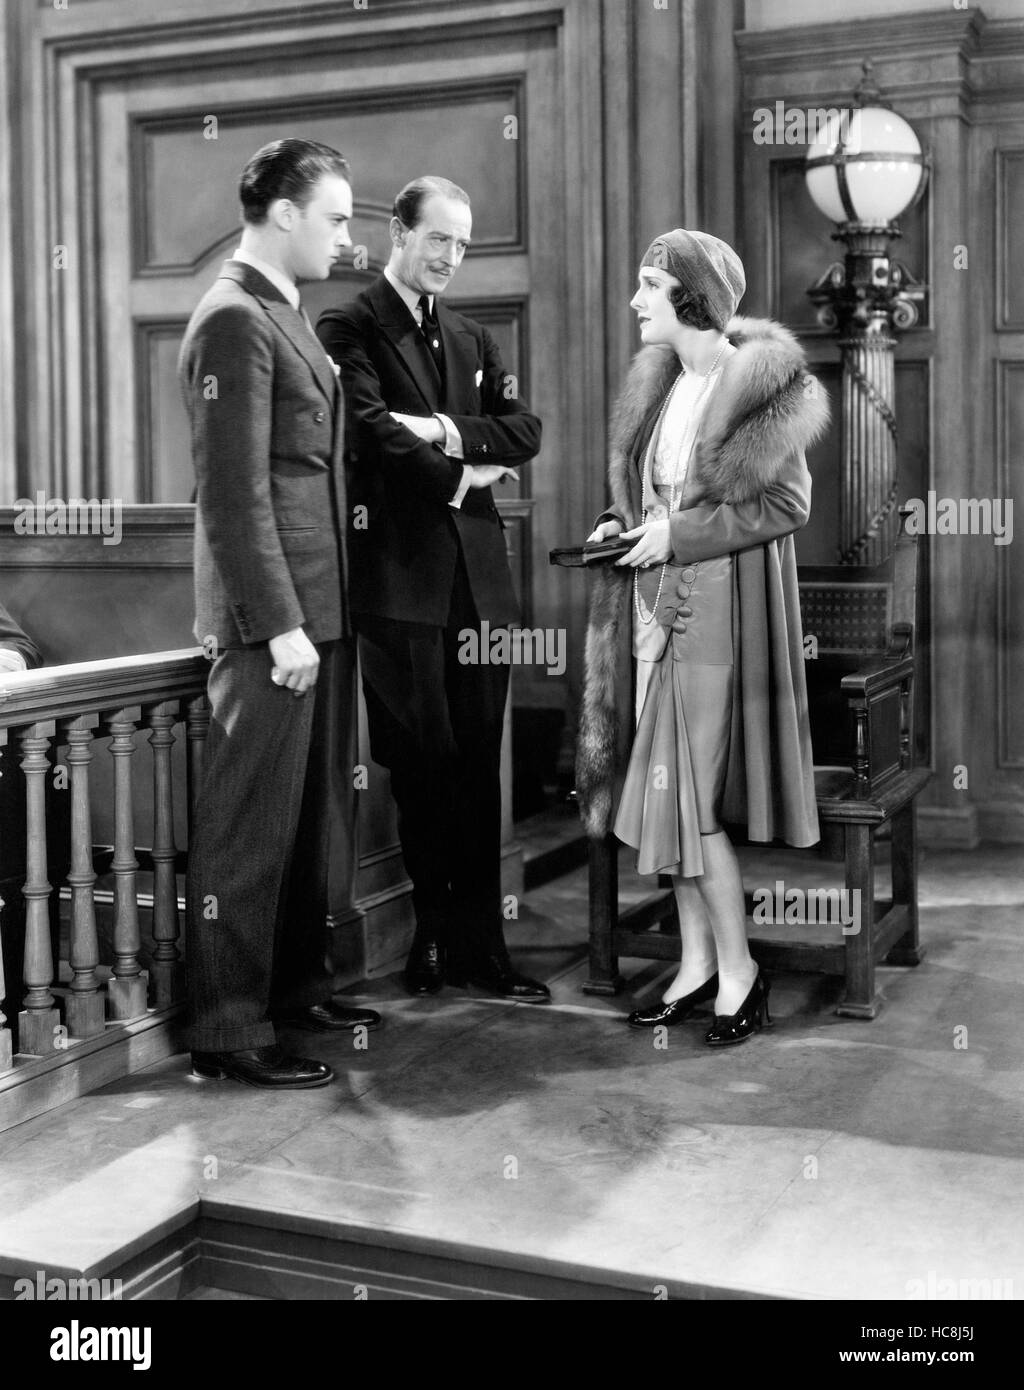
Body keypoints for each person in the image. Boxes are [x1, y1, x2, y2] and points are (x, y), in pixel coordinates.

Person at [577, 229, 828, 1046]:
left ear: (690, 297)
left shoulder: (753, 384)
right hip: (651, 609)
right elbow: (650, 495)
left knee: (692, 800)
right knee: (663, 797)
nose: (636, 300)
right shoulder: (663, 383)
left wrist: (677, 536)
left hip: (715, 610)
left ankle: (741, 972)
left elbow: (787, 507)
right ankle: (695, 968)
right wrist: (623, 524)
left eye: (651, 285)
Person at [316, 176, 549, 1003]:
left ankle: (482, 948)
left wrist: (447, 430)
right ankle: (432, 941)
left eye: (464, 243)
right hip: (399, 588)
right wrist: (460, 478)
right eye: (440, 239)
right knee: (422, 768)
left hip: (481, 591)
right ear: (399, 233)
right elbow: (368, 429)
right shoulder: (349, 323)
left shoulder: (475, 338)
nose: (452, 257)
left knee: (479, 768)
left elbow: (527, 432)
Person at [179, 138, 380, 1090]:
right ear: (286, 214)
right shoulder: (234, 318)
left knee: (310, 823)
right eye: (337, 218)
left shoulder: (285, 313)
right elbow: (230, 494)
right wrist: (279, 622)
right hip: (276, 622)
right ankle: (228, 1027)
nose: (348, 239)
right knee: (251, 828)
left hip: (317, 610)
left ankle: (295, 991)